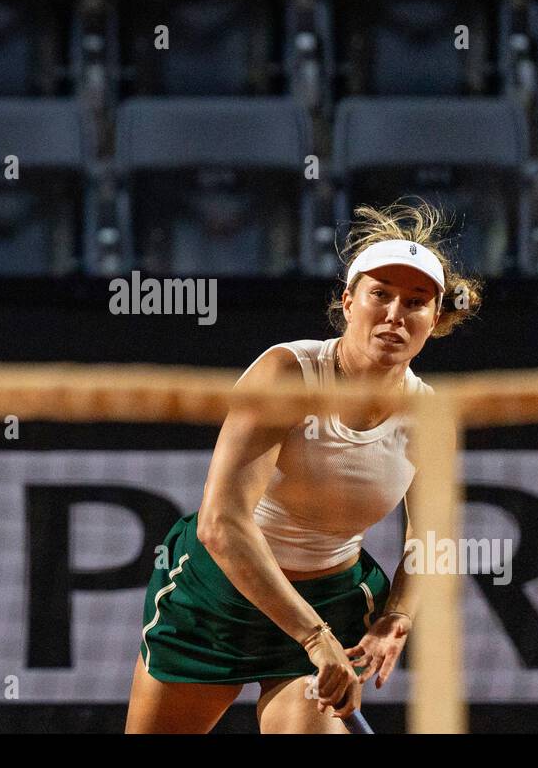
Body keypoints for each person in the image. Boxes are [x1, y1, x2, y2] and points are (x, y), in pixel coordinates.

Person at [125, 201, 483, 733]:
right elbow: (220, 523)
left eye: (415, 301)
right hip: (220, 594)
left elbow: (431, 538)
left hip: (330, 601)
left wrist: (398, 616)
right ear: (348, 301)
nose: (394, 313)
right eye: (379, 294)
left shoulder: (429, 415)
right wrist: (313, 638)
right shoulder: (288, 374)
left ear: (434, 319)